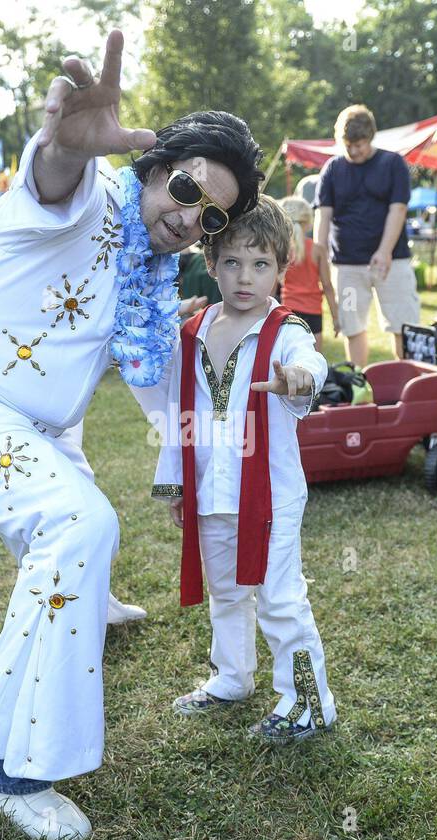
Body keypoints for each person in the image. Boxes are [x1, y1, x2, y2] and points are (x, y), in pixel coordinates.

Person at [0, 31, 264, 840]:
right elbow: (53, 184)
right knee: (80, 522)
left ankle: (91, 600)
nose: (190, 217)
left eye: (212, 214)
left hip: (34, 418)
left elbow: (157, 387)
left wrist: (202, 457)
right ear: (151, 167)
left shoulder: (150, 274)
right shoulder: (95, 198)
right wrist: (61, 148)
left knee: (80, 508)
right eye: (184, 187)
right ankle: (2, 764)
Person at [147, 196, 335, 742]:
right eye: (232, 262)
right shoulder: (196, 330)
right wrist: (178, 484)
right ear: (211, 263)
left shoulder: (286, 332)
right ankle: (232, 676)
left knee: (278, 596)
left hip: (270, 493)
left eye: (260, 264)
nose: (245, 277)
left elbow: (311, 361)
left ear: (281, 269)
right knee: (226, 591)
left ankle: (308, 703)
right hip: (212, 490)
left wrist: (300, 377)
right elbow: (180, 409)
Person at [314, 104, 419, 366]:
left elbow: (398, 209)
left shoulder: (392, 163)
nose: (353, 150)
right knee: (352, 326)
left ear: (370, 137)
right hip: (347, 266)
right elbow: (323, 216)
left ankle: (404, 383)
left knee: (402, 325)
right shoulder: (332, 168)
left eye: (358, 144)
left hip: (391, 263)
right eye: (348, 144)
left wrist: (384, 251)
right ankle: (358, 381)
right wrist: (318, 255)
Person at [277, 195, 335, 351]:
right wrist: (336, 318)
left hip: (288, 310)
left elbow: (272, 284)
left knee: (287, 361)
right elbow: (327, 286)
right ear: (308, 223)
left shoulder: (281, 250)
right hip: (313, 312)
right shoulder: (318, 250)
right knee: (314, 364)